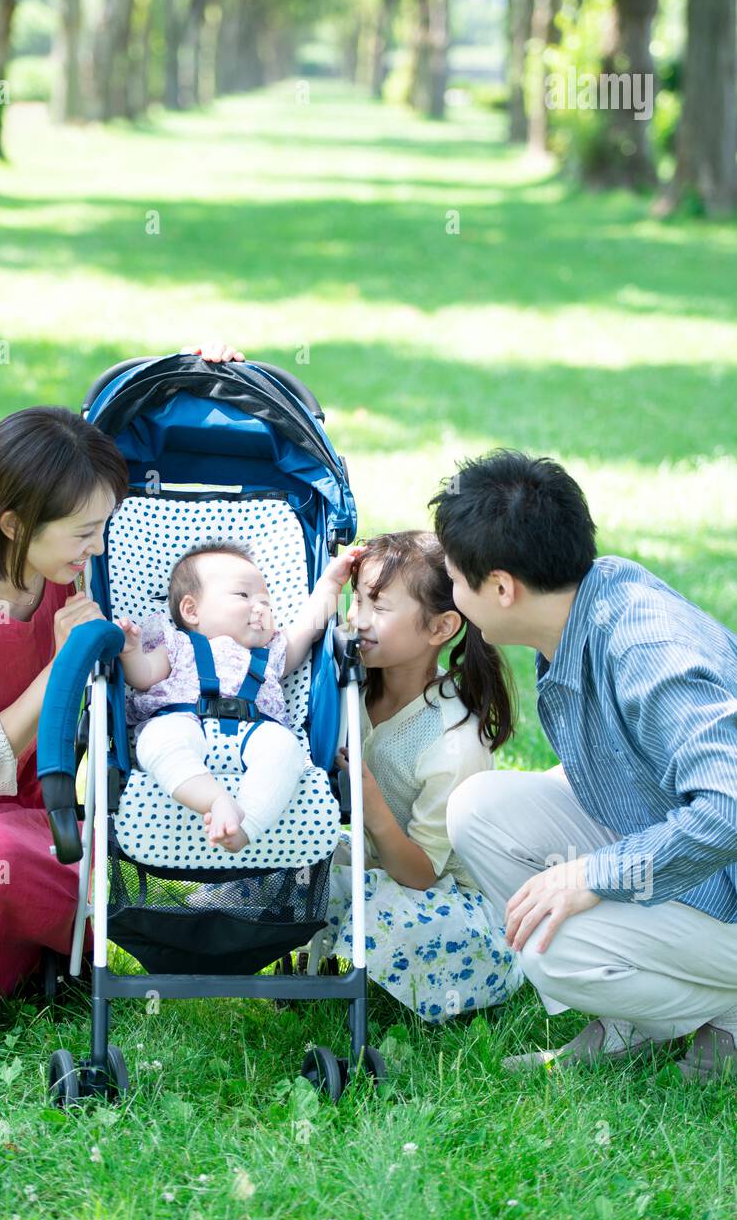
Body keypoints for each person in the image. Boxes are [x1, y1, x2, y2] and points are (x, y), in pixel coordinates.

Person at [0, 342, 243, 1026]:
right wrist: (58, 667)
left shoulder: (67, 570)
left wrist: (200, 378)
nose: (96, 547)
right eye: (83, 531)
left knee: (91, 875)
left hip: (28, 803)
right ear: (13, 523)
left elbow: (79, 440)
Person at [435, 450, 737, 1080]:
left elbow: (729, 806)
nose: (451, 596)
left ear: (501, 588)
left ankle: (725, 1013)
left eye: (455, 581)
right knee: (479, 809)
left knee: (553, 946)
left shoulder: (648, 649)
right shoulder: (588, 596)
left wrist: (592, 876)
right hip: (686, 850)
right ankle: (632, 1023)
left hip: (726, 876)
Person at [318, 530, 523, 1024]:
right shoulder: (352, 682)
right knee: (296, 870)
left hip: (447, 901)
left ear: (441, 628)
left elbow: (422, 873)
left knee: (357, 897)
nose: (357, 620)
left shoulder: (453, 740)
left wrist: (371, 798)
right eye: (358, 600)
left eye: (380, 608)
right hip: (377, 866)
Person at [116, 538, 365, 852]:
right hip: (184, 721)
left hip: (257, 731)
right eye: (244, 596)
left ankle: (244, 828)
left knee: (286, 749)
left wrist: (331, 583)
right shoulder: (178, 644)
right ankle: (215, 800)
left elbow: (309, 626)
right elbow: (143, 676)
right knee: (158, 737)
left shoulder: (271, 651)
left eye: (266, 602)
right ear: (191, 610)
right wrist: (131, 652)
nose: (259, 608)